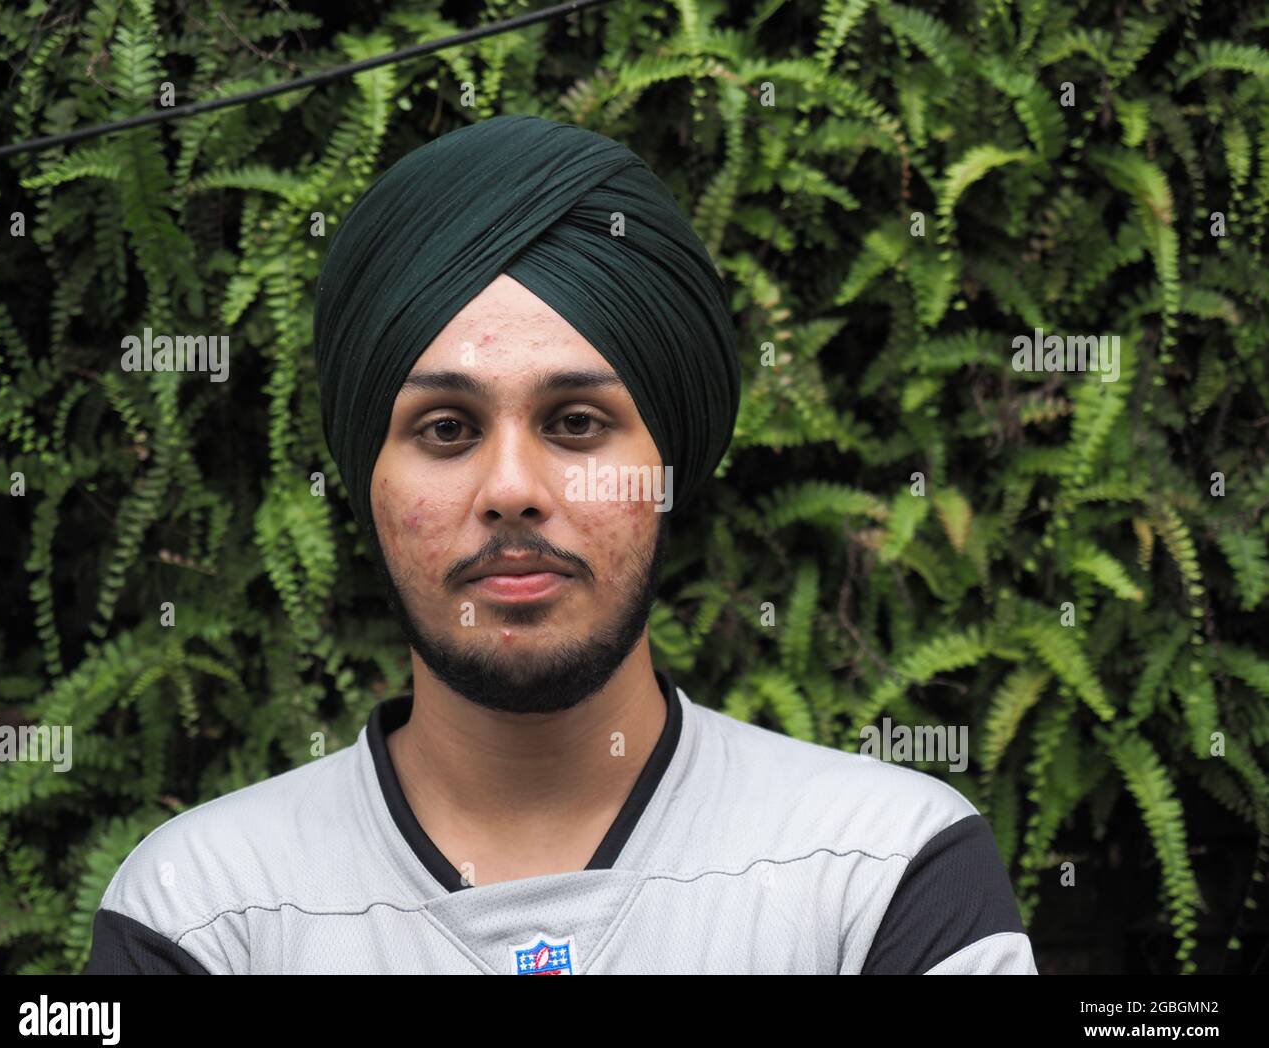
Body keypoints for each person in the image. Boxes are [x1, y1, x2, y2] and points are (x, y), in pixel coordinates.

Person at [84, 114, 1037, 975]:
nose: (511, 491)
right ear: (367, 479)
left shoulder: (883, 877)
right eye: (447, 429)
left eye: (577, 423)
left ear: (668, 465)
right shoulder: (203, 914)